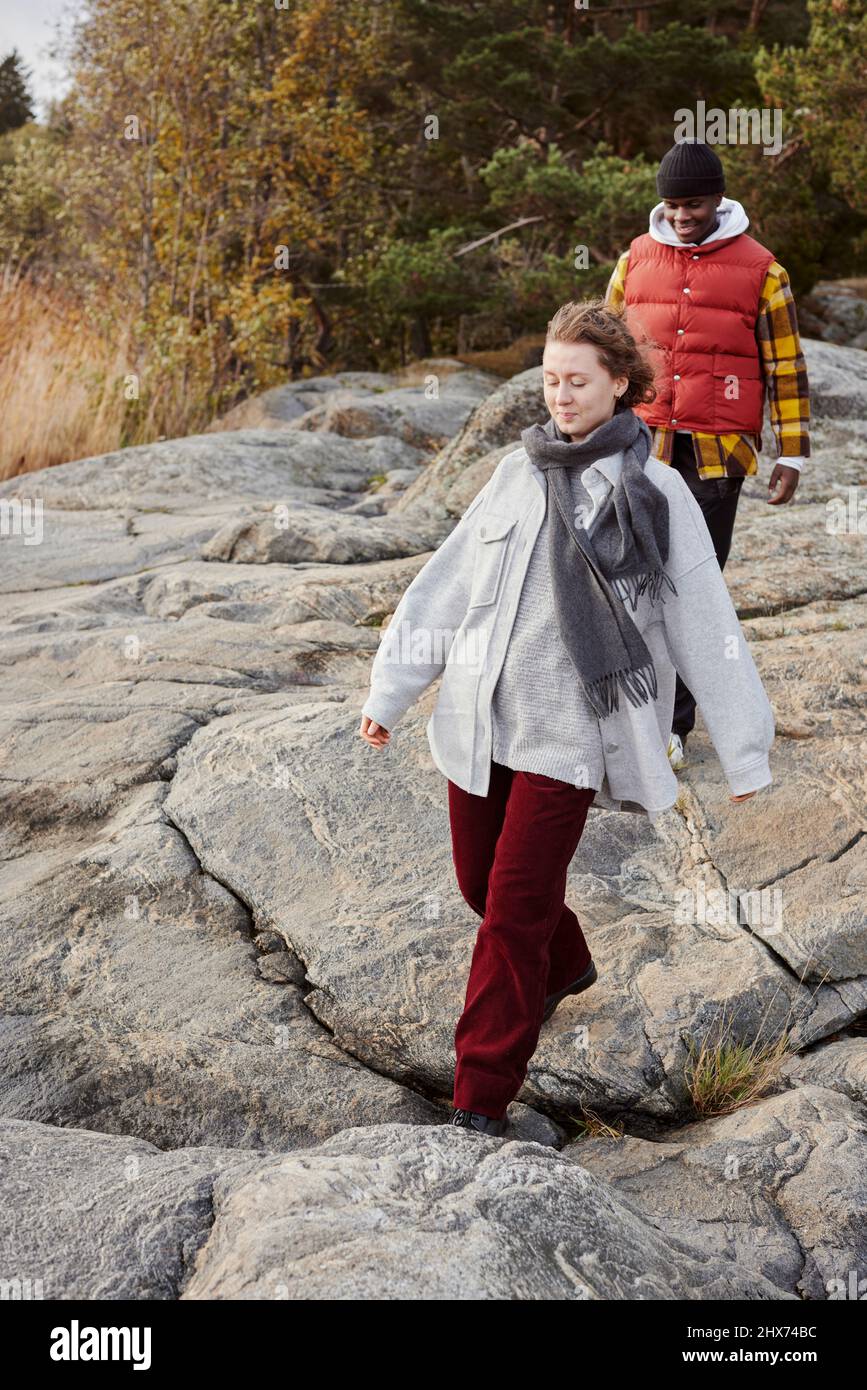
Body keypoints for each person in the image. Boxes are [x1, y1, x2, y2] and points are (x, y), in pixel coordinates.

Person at [359, 299, 775, 1137]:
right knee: (481, 885)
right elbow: (444, 584)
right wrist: (390, 690)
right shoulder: (515, 474)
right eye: (549, 380)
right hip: (484, 718)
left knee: (512, 909)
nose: (559, 395)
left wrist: (744, 752)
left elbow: (705, 626)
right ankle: (570, 960)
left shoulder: (655, 493)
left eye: (577, 381)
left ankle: (480, 1094)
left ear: (619, 384)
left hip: (571, 736)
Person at [605, 138, 810, 771]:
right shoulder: (633, 261)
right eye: (671, 205)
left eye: (692, 203)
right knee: (627, 582)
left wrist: (792, 453)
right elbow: (604, 348)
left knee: (693, 589)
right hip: (641, 447)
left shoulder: (762, 270)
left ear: (719, 198)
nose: (682, 216)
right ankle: (623, 714)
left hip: (718, 458)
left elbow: (786, 366)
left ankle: (674, 725)